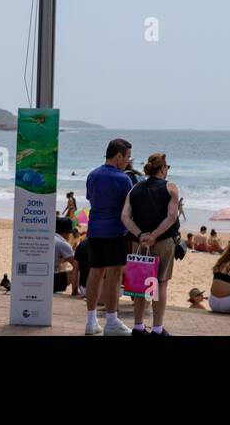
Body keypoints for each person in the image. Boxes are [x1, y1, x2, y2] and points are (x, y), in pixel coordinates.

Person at [120, 152, 181, 336]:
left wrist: (140, 235)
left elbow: (124, 216)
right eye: (167, 167)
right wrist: (154, 235)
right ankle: (157, 328)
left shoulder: (135, 188)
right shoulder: (170, 187)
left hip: (139, 243)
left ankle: (138, 327)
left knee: (141, 285)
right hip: (162, 242)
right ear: (162, 168)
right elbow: (172, 217)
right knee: (160, 283)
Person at [83, 138, 134, 336]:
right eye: (127, 157)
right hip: (115, 232)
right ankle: (111, 321)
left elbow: (90, 198)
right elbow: (129, 206)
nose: (128, 162)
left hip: (95, 230)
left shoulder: (92, 175)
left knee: (95, 274)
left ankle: (91, 320)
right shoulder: (123, 179)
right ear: (118, 155)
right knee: (113, 277)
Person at [53, 217, 79, 293]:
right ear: (67, 233)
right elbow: (76, 264)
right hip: (52, 283)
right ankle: (75, 291)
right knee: (77, 268)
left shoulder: (49, 237)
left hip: (38, 280)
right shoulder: (63, 243)